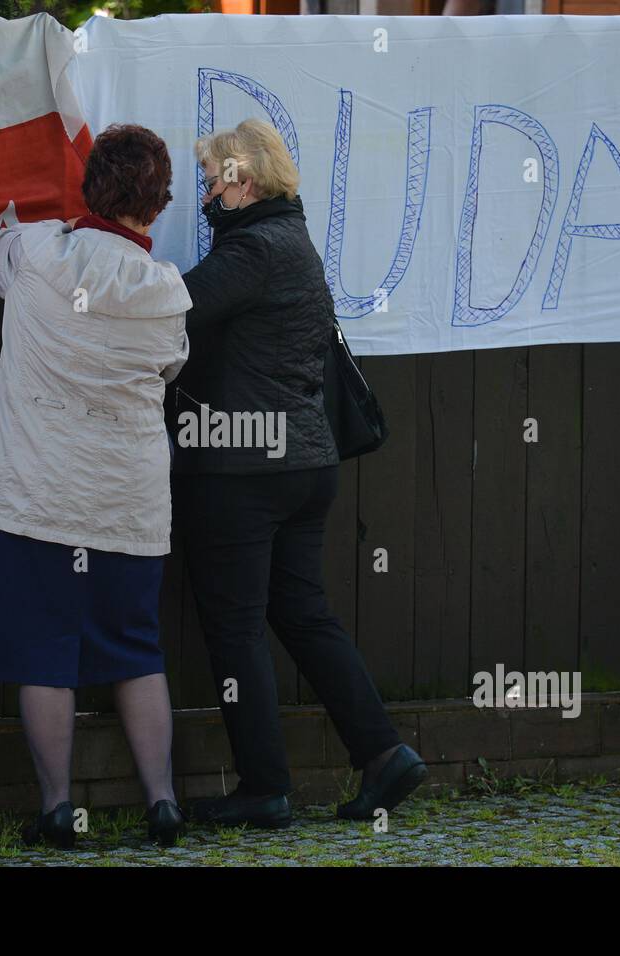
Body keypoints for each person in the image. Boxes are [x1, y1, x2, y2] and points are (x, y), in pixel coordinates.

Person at [169, 118, 428, 828]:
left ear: (243, 182)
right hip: (306, 463)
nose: (204, 194)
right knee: (304, 615)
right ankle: (382, 754)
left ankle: (264, 788)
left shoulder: (250, 250)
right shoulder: (295, 243)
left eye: (211, 180)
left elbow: (170, 312)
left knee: (237, 629)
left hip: (242, 468)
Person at [0, 124, 191, 848]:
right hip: (125, 498)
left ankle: (55, 809)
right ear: (159, 203)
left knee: (43, 656)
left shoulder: (38, 252)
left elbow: (1, 249)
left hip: (35, 492)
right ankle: (163, 802)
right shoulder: (168, 292)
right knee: (137, 651)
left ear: (91, 187)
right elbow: (173, 369)